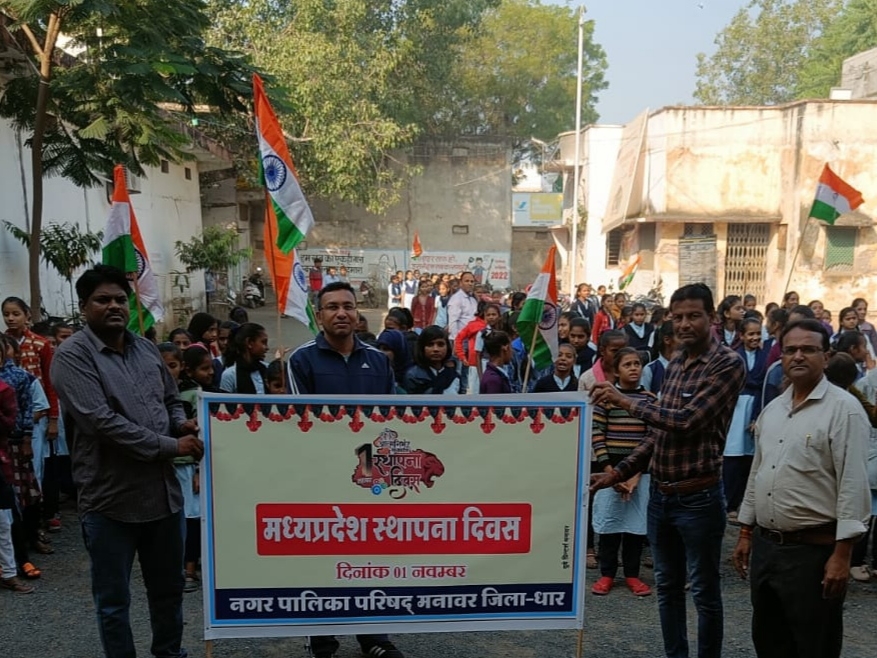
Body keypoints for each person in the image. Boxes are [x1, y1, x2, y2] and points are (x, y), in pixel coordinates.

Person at [50, 264, 203, 658]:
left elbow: (169, 400)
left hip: (162, 497)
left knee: (167, 591)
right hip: (109, 502)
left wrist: (180, 423)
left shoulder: (146, 348)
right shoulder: (71, 356)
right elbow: (102, 424)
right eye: (103, 300)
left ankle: (169, 653)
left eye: (121, 299)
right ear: (84, 306)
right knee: (114, 601)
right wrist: (173, 447)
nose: (114, 306)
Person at [590, 282, 746, 658]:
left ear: (712, 318)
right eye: (677, 317)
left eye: (694, 316)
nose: (685, 324)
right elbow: (659, 433)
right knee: (667, 588)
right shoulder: (676, 362)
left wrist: (625, 402)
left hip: (699, 496)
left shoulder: (727, 363)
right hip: (662, 495)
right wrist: (619, 471)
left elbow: (686, 421)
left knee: (705, 592)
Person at [732, 319, 870, 658]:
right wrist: (746, 533)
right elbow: (758, 473)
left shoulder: (844, 410)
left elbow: (853, 485)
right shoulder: (773, 410)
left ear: (826, 356)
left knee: (813, 645)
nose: (797, 357)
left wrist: (842, 555)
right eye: (790, 350)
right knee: (769, 641)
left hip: (813, 553)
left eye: (808, 349)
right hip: (767, 548)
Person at [287, 281, 403, 658]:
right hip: (320, 477)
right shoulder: (300, 361)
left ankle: (374, 638)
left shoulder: (378, 360)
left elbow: (388, 422)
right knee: (322, 559)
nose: (341, 313)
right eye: (332, 306)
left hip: (367, 477)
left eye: (348, 306)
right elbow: (302, 424)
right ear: (319, 316)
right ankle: (321, 640)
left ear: (358, 313)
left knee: (370, 559)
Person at [590, 347, 653, 597]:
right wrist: (609, 473)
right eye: (627, 364)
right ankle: (606, 574)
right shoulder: (605, 398)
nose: (634, 368)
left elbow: (653, 437)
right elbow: (597, 436)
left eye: (637, 363)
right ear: (616, 370)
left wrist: (635, 476)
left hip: (639, 474)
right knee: (609, 526)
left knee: (634, 529)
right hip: (609, 471)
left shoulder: (650, 400)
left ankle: (632, 575)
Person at [177, 345, 218, 593]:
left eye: (212, 367)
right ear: (188, 370)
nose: (211, 373)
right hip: (184, 465)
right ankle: (187, 569)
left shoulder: (197, 393)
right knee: (190, 518)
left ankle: (192, 567)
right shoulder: (191, 395)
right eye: (205, 369)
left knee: (193, 517)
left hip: (189, 465)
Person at [724, 317, 769, 518]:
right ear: (741, 336)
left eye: (758, 333)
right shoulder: (733, 357)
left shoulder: (765, 356)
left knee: (749, 458)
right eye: (750, 334)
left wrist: (757, 415)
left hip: (756, 405)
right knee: (733, 455)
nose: (755, 337)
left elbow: (764, 385)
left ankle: (745, 502)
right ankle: (729, 502)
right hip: (736, 407)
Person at [403, 326, 461, 395]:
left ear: (447, 347)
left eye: (440, 344)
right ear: (422, 348)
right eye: (430, 345)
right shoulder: (413, 375)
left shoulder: (453, 374)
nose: (435, 349)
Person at [219, 323, 269, 394]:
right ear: (249, 343)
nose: (267, 348)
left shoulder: (267, 369)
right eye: (263, 342)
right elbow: (226, 403)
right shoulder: (230, 375)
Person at [641, 322, 676, 396]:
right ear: (667, 340)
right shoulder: (651, 369)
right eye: (680, 336)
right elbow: (645, 399)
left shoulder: (690, 367)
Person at [447, 271, 478, 343]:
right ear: (460, 283)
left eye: (472, 281)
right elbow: (453, 321)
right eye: (467, 281)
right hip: (461, 340)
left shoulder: (473, 300)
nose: (470, 283)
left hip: (473, 339)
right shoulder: (456, 299)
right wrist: (455, 341)